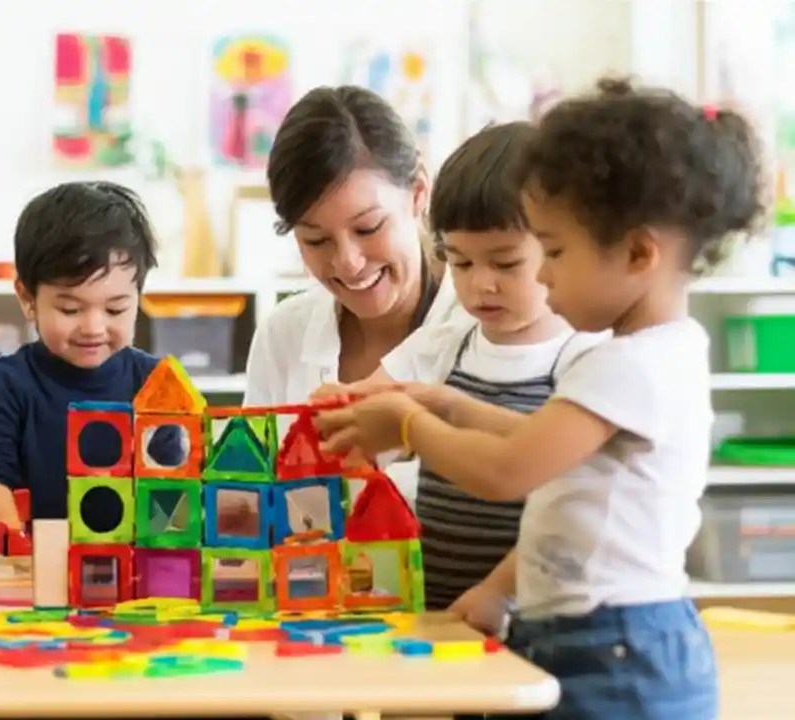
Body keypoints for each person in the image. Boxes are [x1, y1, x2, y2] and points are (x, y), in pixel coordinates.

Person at [314, 77, 764, 719]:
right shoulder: (654, 355)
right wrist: (449, 406)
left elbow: (510, 470)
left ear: (638, 253)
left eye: (553, 251)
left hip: (614, 650)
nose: (545, 274)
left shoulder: (626, 366)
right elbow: (555, 458)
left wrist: (411, 427)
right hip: (594, 638)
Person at [315, 122, 606, 628]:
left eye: (505, 263)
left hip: (531, 610)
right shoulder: (450, 339)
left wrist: (498, 593)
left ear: (560, 249)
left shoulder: (582, 358)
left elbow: (570, 509)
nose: (480, 286)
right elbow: (375, 395)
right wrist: (337, 400)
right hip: (433, 600)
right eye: (461, 262)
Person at [244, 85, 466, 505]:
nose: (347, 262)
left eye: (368, 228)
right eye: (316, 240)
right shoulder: (284, 332)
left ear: (418, 192)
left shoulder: (482, 326)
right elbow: (251, 494)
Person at [0, 181, 181, 530]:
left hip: (135, 563)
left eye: (115, 309)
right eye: (70, 309)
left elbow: (175, 477)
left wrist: (161, 545)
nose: (93, 327)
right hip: (39, 558)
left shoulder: (156, 382)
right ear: (27, 298)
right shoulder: (9, 381)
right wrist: (13, 539)